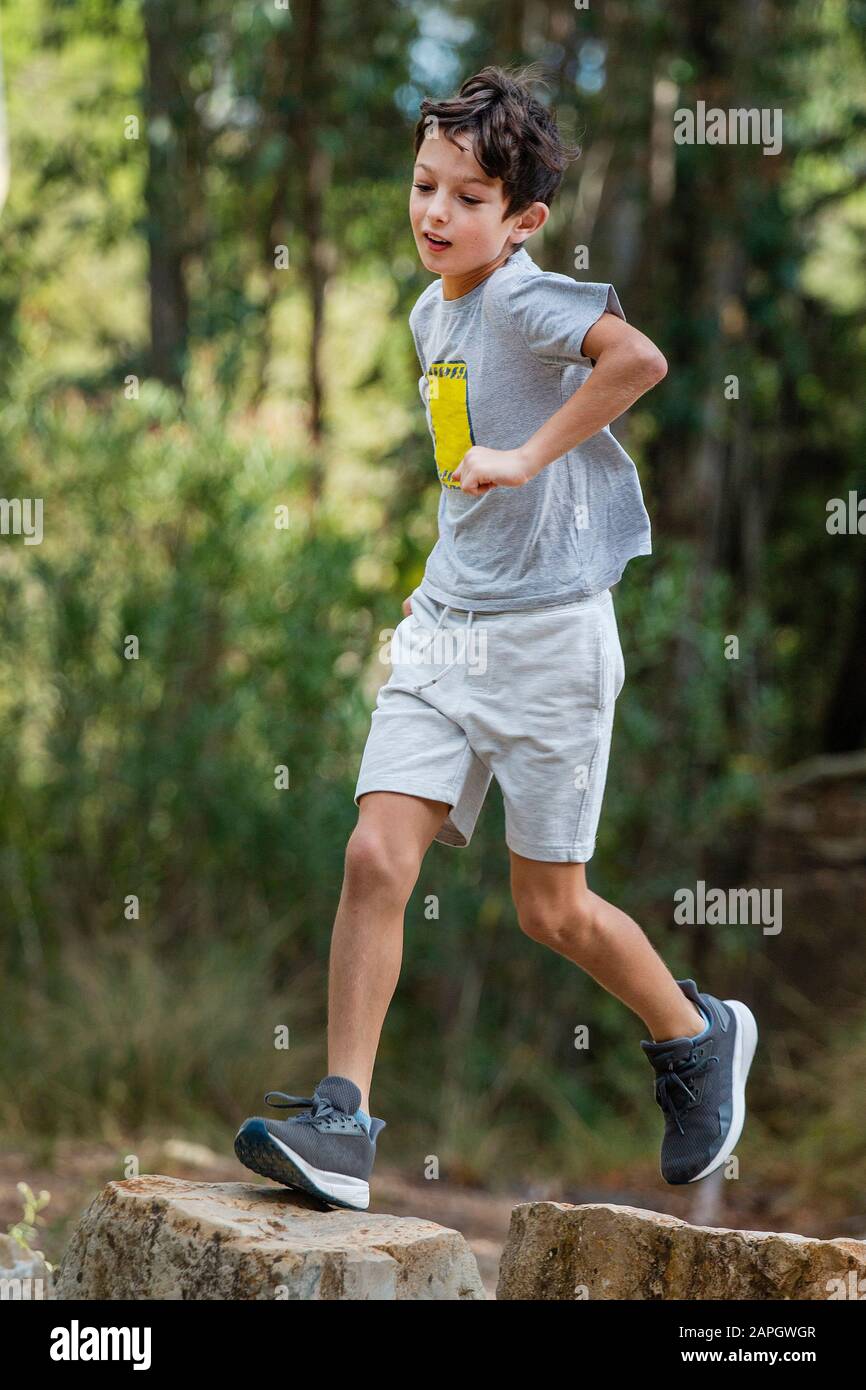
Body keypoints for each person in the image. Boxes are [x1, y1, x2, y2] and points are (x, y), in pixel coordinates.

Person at [234, 65, 758, 1211]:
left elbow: (639, 360)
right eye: (424, 184)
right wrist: (432, 593)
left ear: (520, 219)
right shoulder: (432, 309)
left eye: (467, 198)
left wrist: (530, 455)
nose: (433, 212)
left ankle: (694, 1034)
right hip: (448, 628)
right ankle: (341, 1123)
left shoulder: (523, 298)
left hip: (553, 644)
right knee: (374, 855)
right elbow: (466, 479)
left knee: (550, 910)